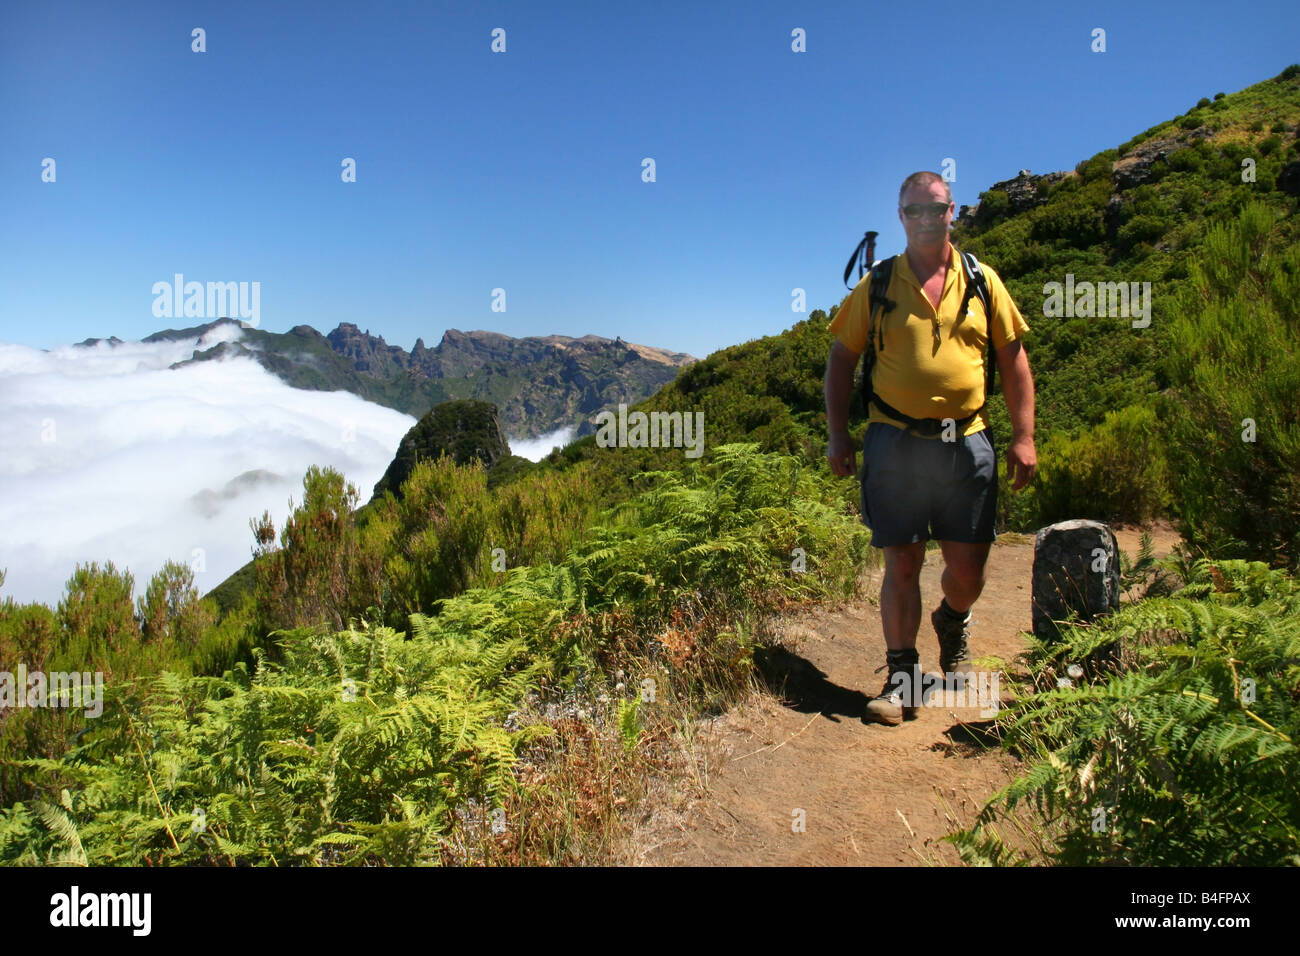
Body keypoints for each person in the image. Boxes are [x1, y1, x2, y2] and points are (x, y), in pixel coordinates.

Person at [823, 170, 1037, 726]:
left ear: (952, 212)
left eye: (934, 209)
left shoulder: (982, 280)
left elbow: (1013, 358)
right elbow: (841, 360)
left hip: (967, 441)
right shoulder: (877, 284)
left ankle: (952, 621)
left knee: (968, 569)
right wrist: (838, 433)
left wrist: (1024, 436)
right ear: (900, 216)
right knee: (902, 561)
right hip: (896, 441)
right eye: (913, 210)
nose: (924, 219)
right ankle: (902, 678)